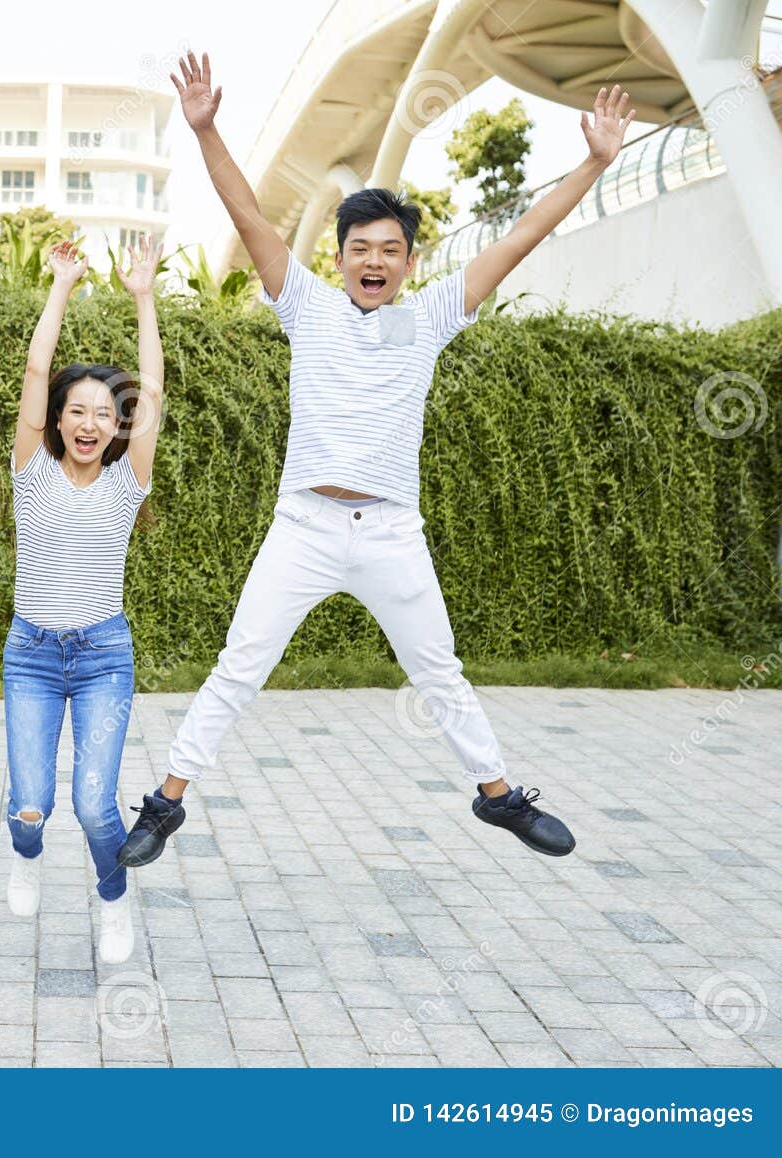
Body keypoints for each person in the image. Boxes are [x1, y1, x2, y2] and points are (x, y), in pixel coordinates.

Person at [121, 52, 636, 867]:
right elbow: (250, 215)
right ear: (338, 256)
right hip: (306, 526)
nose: (373, 261)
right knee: (240, 664)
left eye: (390, 249)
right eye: (360, 246)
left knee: (440, 672)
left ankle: (497, 797)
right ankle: (164, 804)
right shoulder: (307, 306)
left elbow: (525, 234)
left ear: (408, 261)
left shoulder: (432, 315)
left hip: (392, 531)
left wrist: (596, 162)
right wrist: (206, 128)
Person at [4, 236, 162, 965]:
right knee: (30, 807)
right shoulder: (30, 471)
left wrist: (142, 297)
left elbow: (153, 395)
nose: (91, 423)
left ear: (116, 423)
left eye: (104, 412)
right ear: (58, 420)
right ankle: (26, 853)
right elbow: (37, 368)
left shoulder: (128, 484)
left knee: (94, 803)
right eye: (77, 411)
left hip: (102, 656)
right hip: (32, 657)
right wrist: (61, 284)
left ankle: (113, 899)